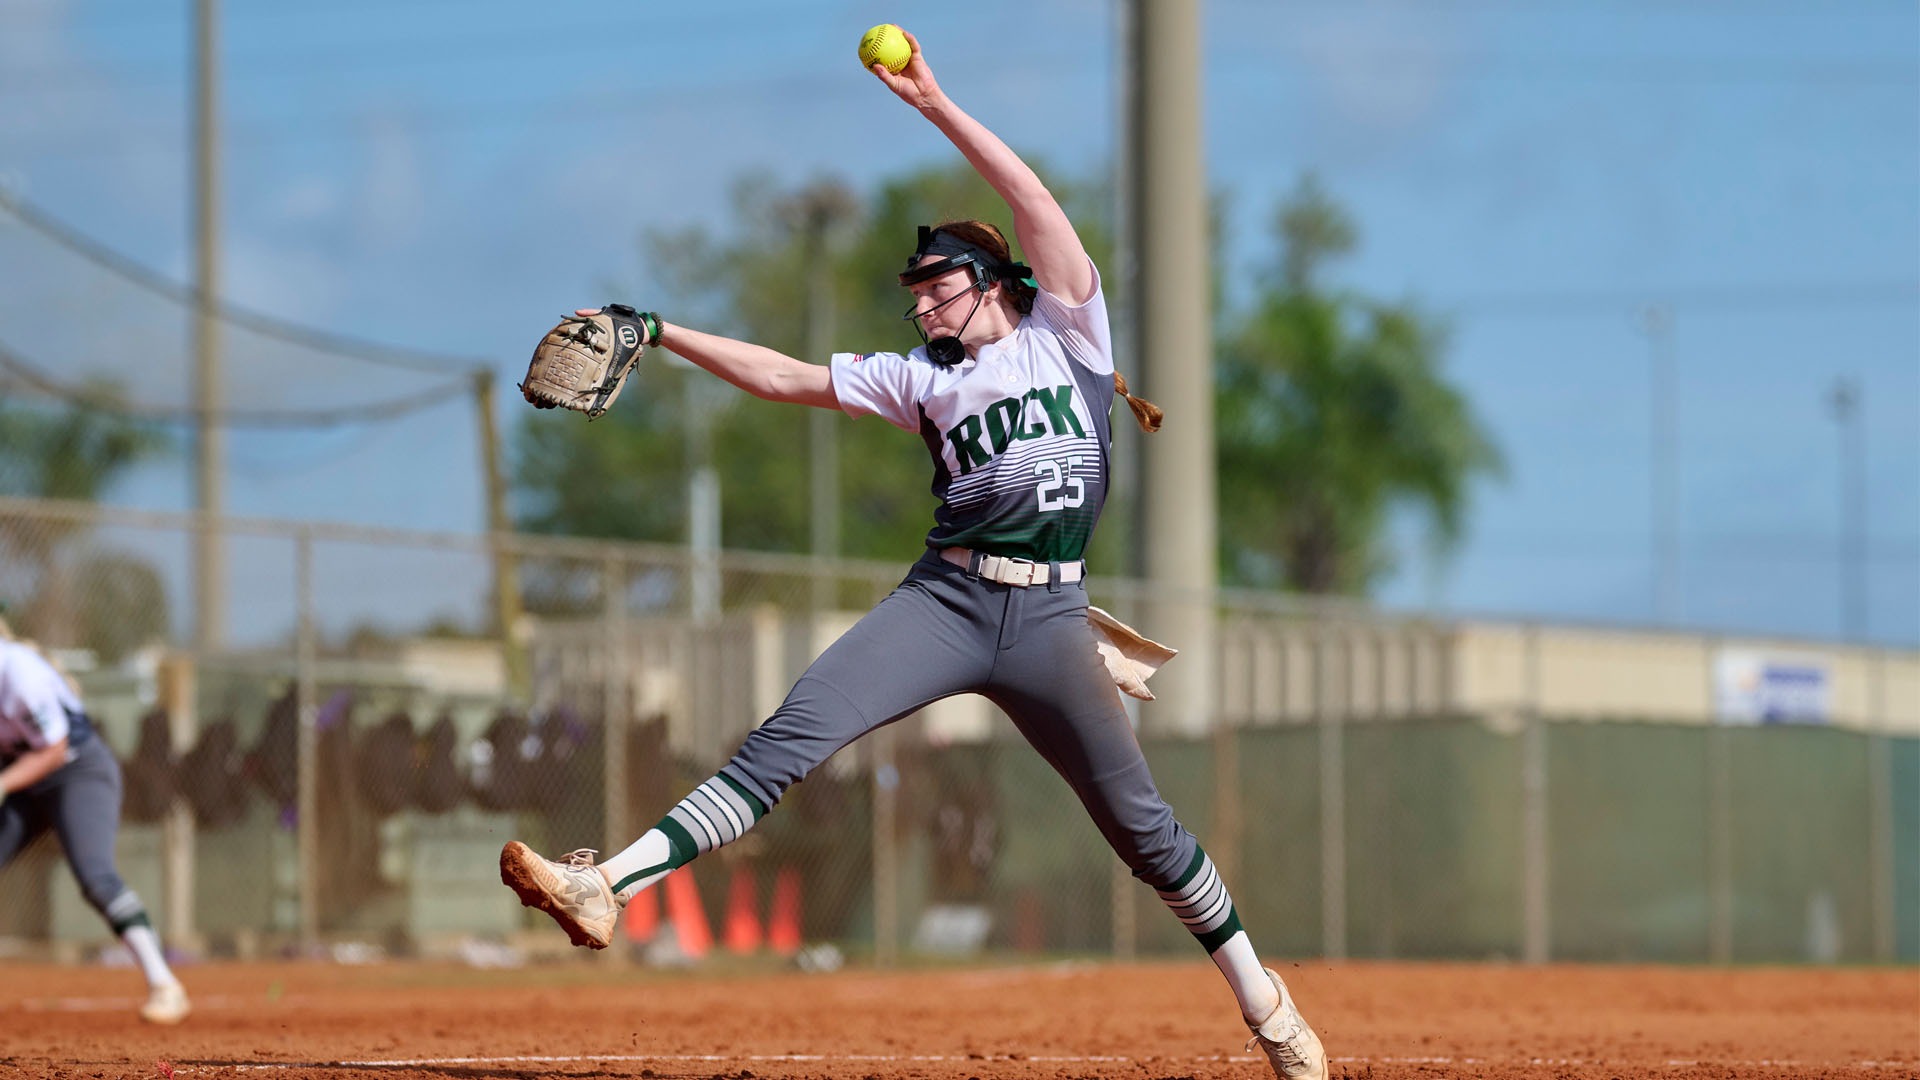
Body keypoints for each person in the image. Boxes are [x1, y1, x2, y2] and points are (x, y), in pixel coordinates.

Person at [501, 27, 1325, 1080]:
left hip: (1052, 623)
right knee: (786, 741)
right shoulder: (923, 380)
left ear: (993, 280)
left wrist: (935, 105)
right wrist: (658, 329)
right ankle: (603, 886)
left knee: (1146, 833)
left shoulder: (1069, 334)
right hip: (947, 603)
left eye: (940, 286)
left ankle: (1271, 1014)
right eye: (918, 292)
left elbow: (1032, 198)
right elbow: (783, 376)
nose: (923, 304)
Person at [0, 617, 190, 1024]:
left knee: (96, 876)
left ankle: (166, 985)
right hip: (20, 780)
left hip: (77, 771)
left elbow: (54, 750)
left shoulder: (17, 673)